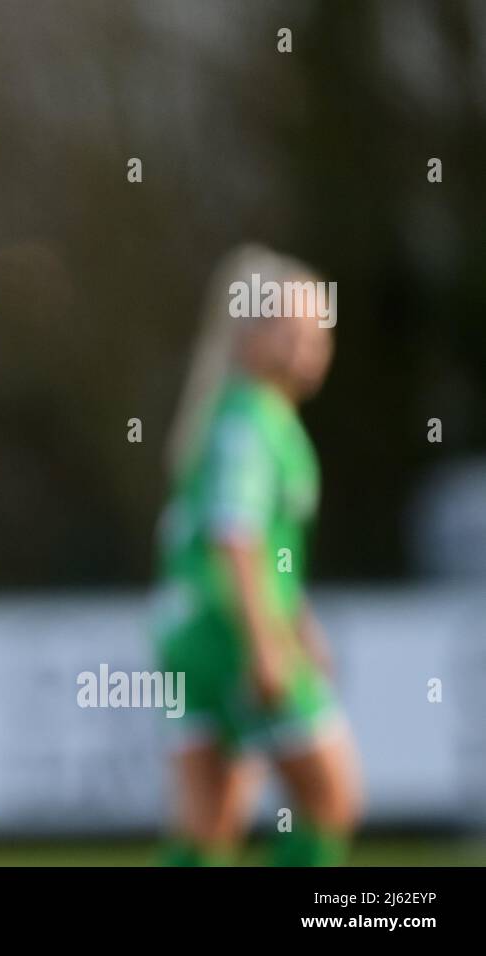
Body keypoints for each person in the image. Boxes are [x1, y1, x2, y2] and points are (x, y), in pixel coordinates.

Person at [152, 245, 361, 866]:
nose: (310, 345)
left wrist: (299, 620)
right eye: (292, 329)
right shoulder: (250, 419)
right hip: (230, 632)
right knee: (331, 801)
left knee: (210, 826)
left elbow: (264, 548)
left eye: (319, 331)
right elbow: (235, 538)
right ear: (250, 336)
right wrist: (269, 645)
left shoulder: (239, 414)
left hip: (192, 630)